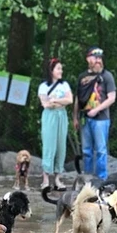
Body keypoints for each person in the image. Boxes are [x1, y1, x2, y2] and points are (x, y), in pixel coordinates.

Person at [73, 46, 116, 181]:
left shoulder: (107, 76)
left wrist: (97, 110)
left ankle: (101, 179)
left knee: (101, 150)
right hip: (85, 118)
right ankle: (87, 178)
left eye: (100, 58)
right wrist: (75, 117)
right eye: (95, 58)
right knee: (86, 150)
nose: (98, 61)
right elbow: (77, 98)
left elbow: (112, 98)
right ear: (88, 59)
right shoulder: (82, 77)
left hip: (101, 119)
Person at [38, 57, 73, 191]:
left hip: (61, 116)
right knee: (49, 145)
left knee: (61, 146)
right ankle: (46, 178)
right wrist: (59, 101)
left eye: (61, 68)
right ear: (51, 70)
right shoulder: (43, 86)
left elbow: (70, 100)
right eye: (58, 68)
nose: (61, 71)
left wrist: (55, 100)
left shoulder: (64, 85)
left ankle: (58, 178)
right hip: (49, 117)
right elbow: (46, 104)